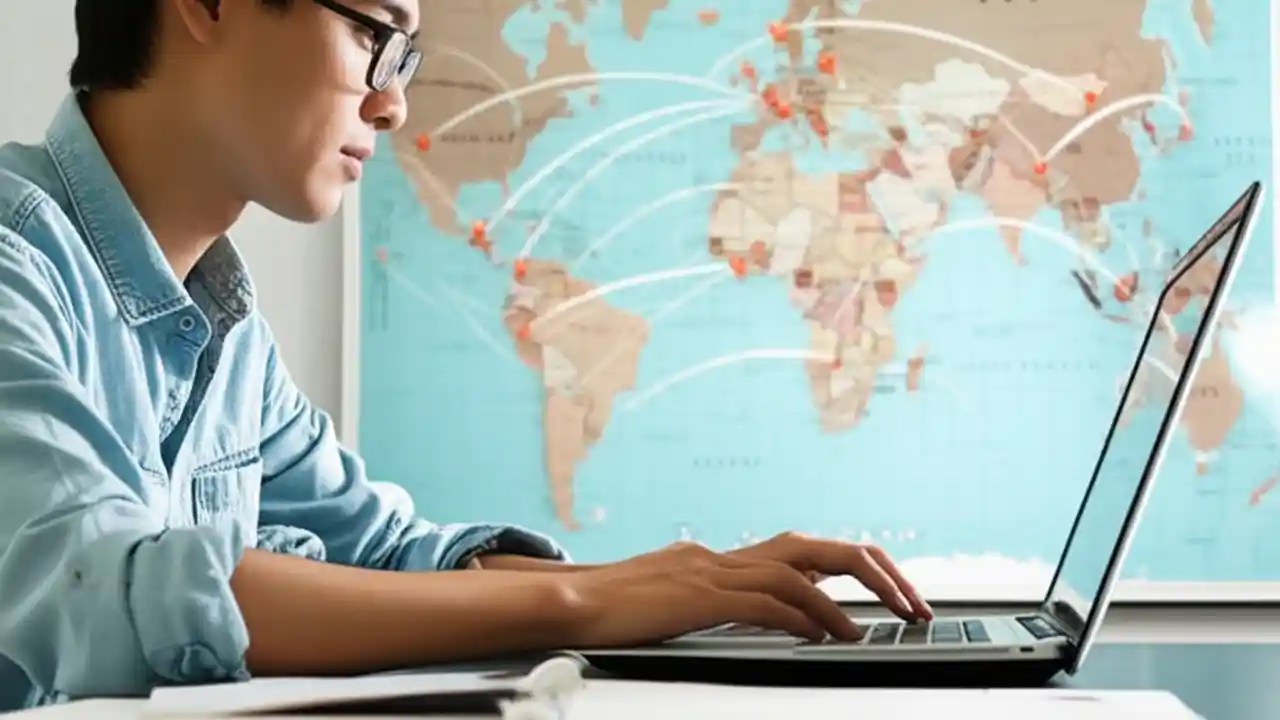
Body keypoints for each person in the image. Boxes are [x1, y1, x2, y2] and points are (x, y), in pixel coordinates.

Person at [0, 0, 933, 710]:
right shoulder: (15, 259)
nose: (395, 102)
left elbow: (387, 555)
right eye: (378, 35)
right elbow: (97, 586)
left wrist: (675, 584)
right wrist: (576, 605)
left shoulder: (225, 327)